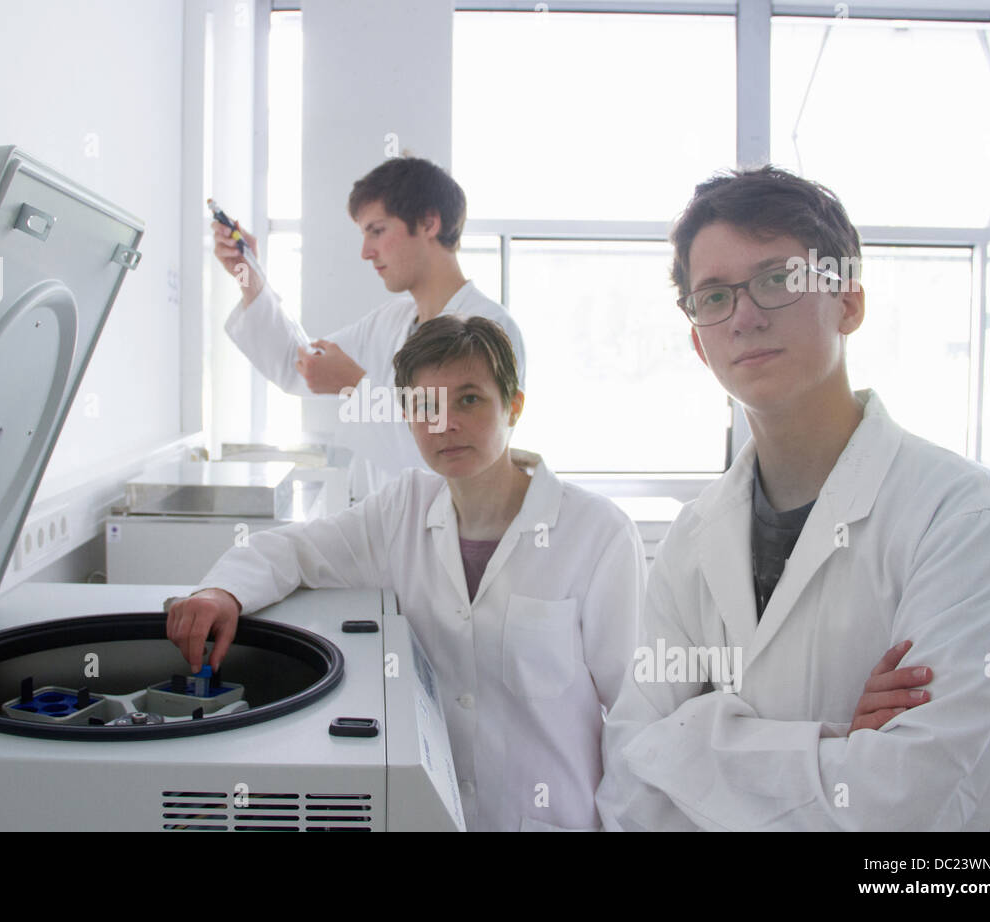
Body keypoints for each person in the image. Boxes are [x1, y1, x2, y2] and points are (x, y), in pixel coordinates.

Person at [599, 165, 990, 831]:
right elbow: (629, 781)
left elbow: (905, 802)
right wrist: (832, 744)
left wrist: (699, 747)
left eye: (777, 279)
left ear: (850, 303)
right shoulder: (693, 539)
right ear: (699, 340)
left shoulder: (969, 518)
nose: (745, 316)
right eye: (714, 297)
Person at [166, 316, 643, 831]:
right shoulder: (404, 508)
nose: (444, 424)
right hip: (431, 814)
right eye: (424, 407)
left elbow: (636, 715)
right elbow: (296, 550)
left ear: (515, 406)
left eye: (469, 400)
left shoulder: (597, 533)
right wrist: (221, 591)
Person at [215, 156, 526, 498]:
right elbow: (298, 363)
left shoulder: (491, 328)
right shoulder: (389, 322)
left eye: (377, 231)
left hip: (449, 536)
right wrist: (248, 274)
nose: (365, 252)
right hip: (384, 527)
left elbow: (448, 446)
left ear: (428, 223)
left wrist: (352, 386)